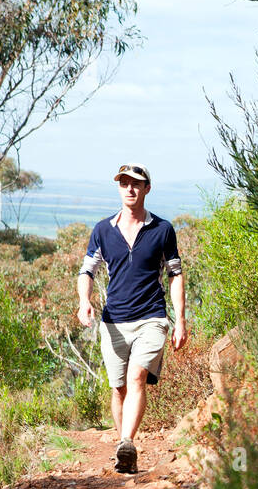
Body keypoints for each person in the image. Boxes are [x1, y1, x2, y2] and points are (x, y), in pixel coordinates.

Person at [77, 163, 187, 473]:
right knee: (119, 388)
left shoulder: (162, 230)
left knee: (137, 377)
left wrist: (180, 319)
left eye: (136, 183)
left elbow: (175, 274)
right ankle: (123, 447)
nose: (130, 188)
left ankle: (127, 441)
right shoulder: (103, 230)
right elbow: (87, 271)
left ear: (147, 189)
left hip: (151, 317)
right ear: (119, 187)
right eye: (124, 182)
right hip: (114, 321)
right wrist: (85, 300)